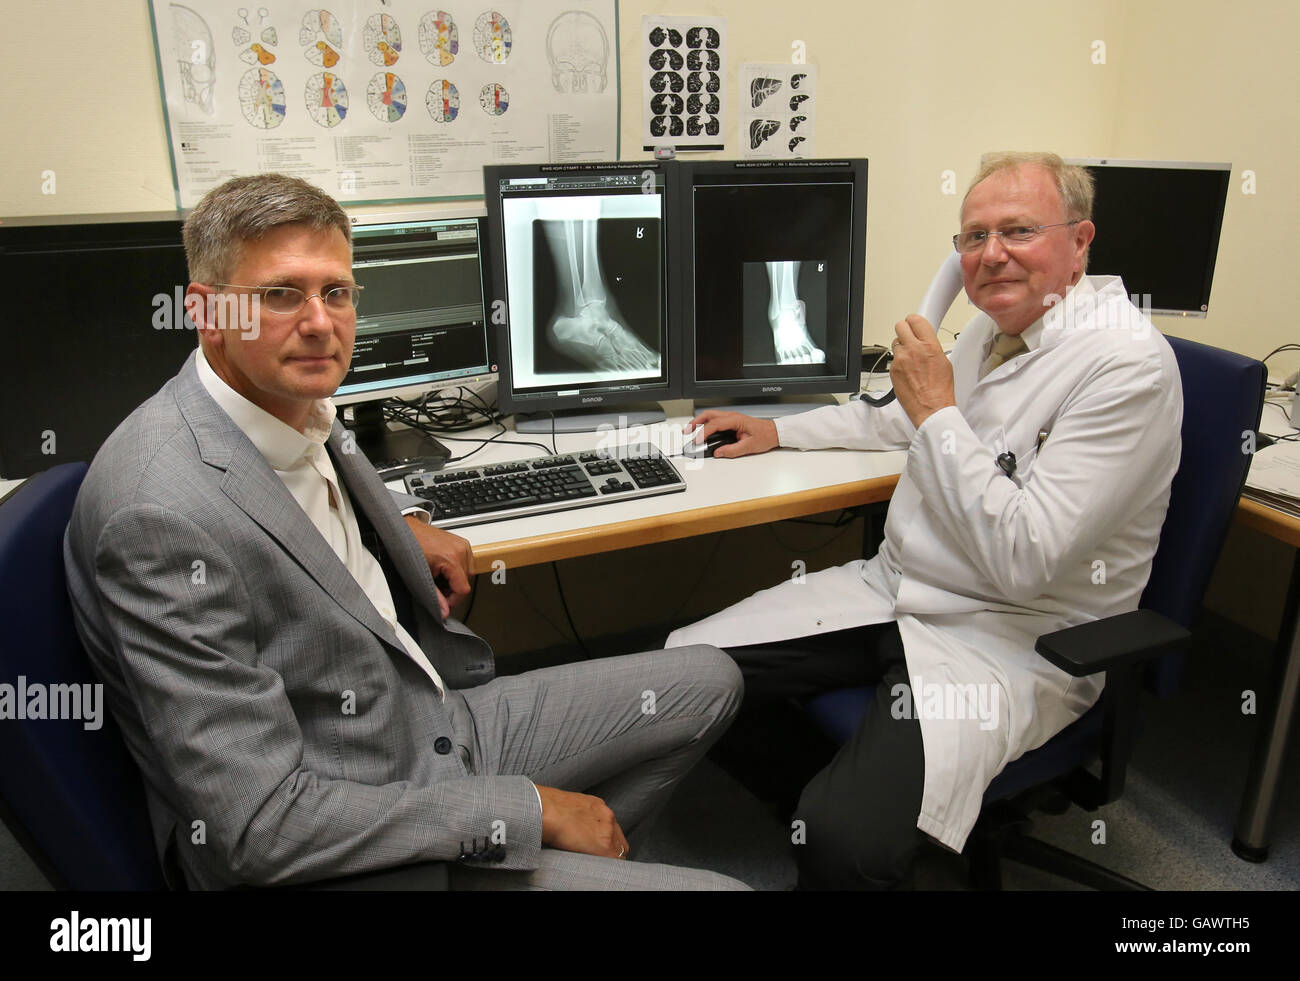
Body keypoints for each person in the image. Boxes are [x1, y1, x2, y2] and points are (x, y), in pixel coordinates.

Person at [64, 173, 746, 891]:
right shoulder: (161, 515)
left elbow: (293, 510)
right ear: (206, 312)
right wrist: (524, 810)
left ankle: (561, 865)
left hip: (417, 721)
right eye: (281, 294)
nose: (321, 321)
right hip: (337, 818)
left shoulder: (287, 403)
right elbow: (258, 826)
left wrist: (402, 523)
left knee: (709, 681)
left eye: (336, 292)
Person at [670, 151, 1184, 889]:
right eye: (972, 238)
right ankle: (856, 805)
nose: (990, 254)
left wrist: (938, 409)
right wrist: (781, 431)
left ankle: (873, 835)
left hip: (1008, 636)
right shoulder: (991, 328)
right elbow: (893, 420)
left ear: (1079, 242)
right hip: (897, 591)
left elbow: (1024, 556)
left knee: (846, 846)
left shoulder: (1127, 367)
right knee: (691, 671)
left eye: (1017, 230)